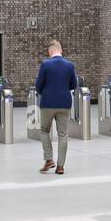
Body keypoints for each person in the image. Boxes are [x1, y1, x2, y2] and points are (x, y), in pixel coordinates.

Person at [34, 39, 79, 175]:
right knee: (63, 134)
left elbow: (38, 85)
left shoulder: (45, 64)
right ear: (61, 50)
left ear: (50, 51)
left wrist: (45, 92)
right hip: (64, 103)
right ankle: (60, 166)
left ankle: (49, 159)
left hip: (47, 102)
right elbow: (74, 85)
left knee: (44, 130)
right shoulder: (69, 65)